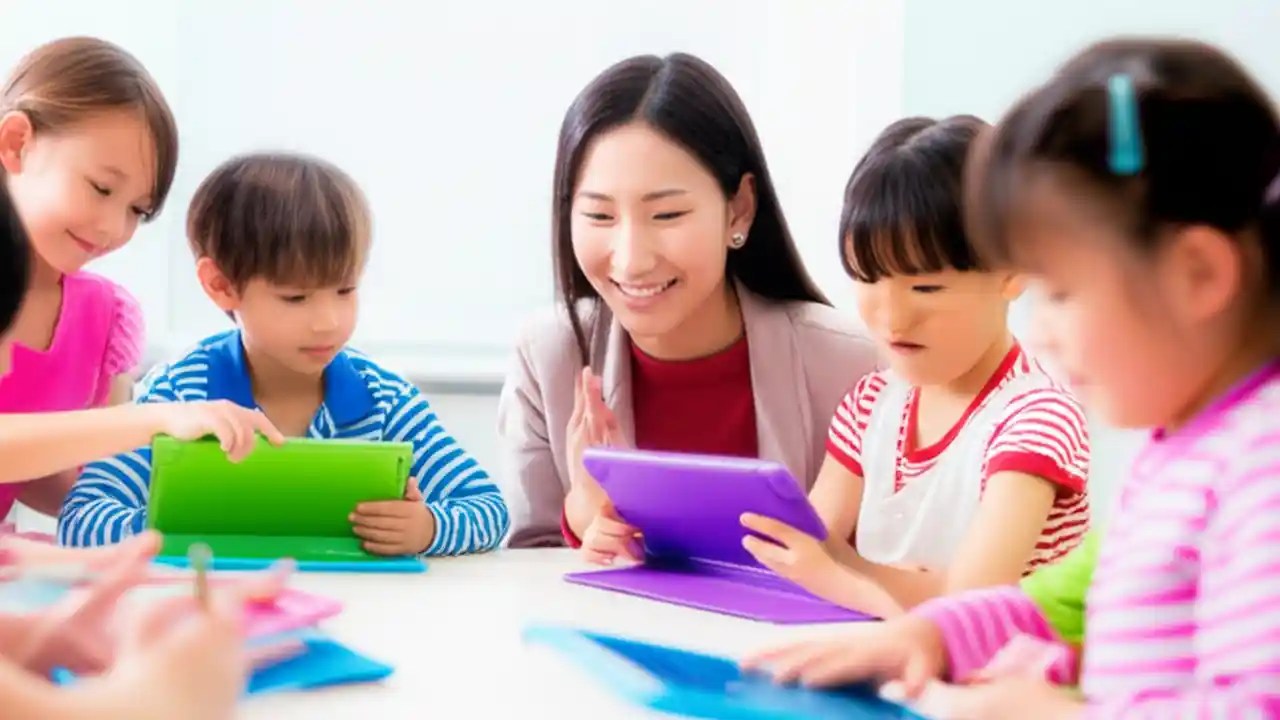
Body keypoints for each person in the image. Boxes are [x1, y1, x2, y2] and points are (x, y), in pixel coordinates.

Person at [745, 38, 1280, 718]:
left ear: (1197, 275)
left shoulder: (1262, 474)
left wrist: (1052, 715)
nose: (1045, 332)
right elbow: (1059, 602)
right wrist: (927, 637)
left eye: (1059, 292)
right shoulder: (1183, 452)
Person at [497, 52, 878, 552]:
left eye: (667, 214)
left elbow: (894, 569)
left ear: (739, 209)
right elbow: (528, 569)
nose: (631, 260)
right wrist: (582, 519)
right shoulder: (547, 357)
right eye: (599, 215)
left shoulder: (853, 365)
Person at [60, 153, 510, 556]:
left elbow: (488, 509)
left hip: (364, 616)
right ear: (221, 286)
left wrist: (430, 527)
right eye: (295, 298)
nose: (328, 321)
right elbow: (82, 521)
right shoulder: (181, 394)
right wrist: (173, 528)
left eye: (345, 290)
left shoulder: (384, 400)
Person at [739, 116, 1089, 617]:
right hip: (888, 659)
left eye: (925, 287)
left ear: (1013, 271)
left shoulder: (1038, 417)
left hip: (1003, 679)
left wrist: (838, 570)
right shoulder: (871, 403)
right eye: (868, 278)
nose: (891, 316)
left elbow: (970, 604)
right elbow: (805, 541)